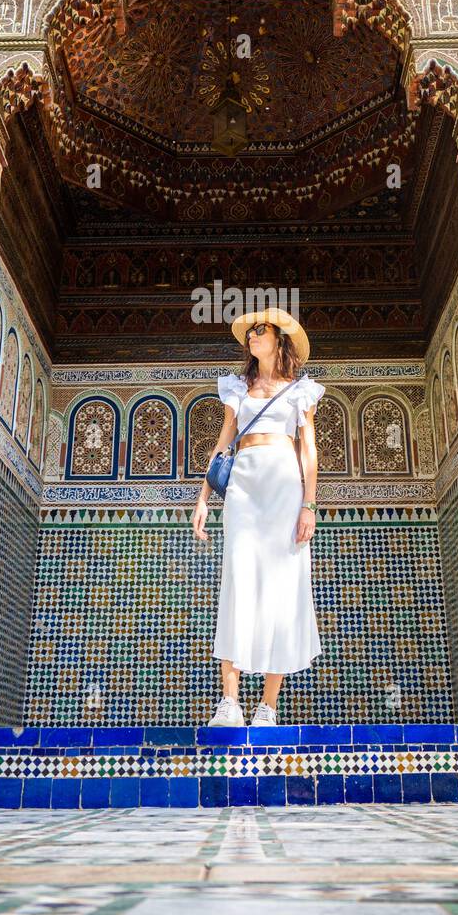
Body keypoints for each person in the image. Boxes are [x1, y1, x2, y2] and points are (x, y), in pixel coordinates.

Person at [191, 307, 325, 727]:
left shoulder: (300, 390)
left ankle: (267, 706)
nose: (252, 336)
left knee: (283, 589)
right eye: (250, 331)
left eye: (260, 330)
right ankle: (229, 701)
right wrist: (203, 497)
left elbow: (309, 451)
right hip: (244, 488)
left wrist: (309, 505)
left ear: (279, 339)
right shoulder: (238, 388)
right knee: (238, 581)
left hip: (285, 487)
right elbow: (223, 441)